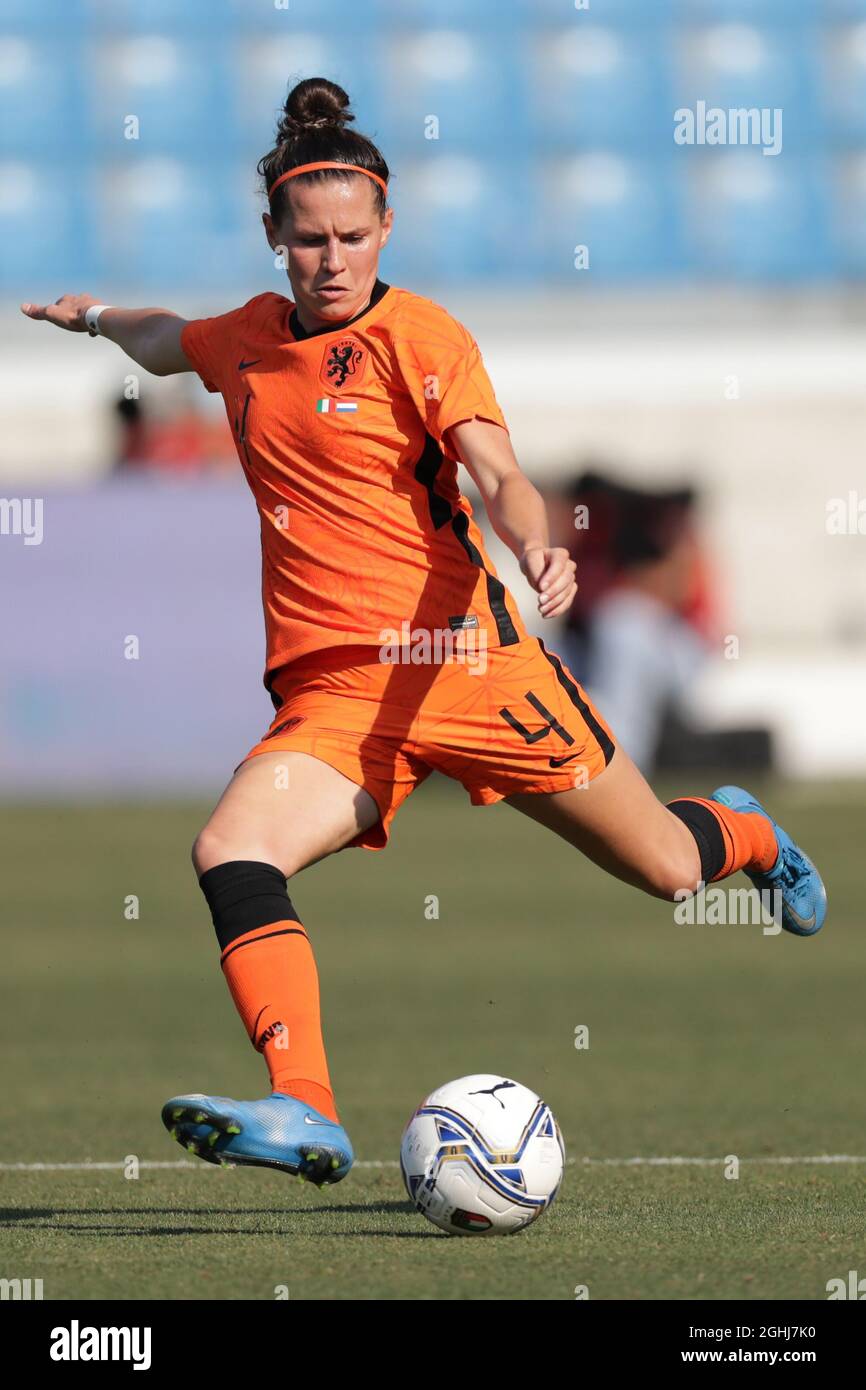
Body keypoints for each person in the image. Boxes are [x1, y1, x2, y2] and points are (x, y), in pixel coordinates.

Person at [21, 78, 827, 1189]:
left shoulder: (422, 337)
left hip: (474, 668)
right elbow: (170, 342)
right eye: (309, 240)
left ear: (386, 228)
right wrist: (97, 319)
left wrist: (535, 542)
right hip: (341, 698)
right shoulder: (245, 341)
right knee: (230, 850)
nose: (333, 258)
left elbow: (497, 469)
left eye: (354, 235)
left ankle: (741, 833)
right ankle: (304, 1105)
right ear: (274, 238)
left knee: (667, 869)